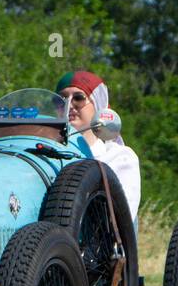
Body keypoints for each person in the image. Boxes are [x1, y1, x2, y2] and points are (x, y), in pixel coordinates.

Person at [55, 70, 141, 220]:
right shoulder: (46, 153)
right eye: (61, 99)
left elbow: (120, 221)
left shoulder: (119, 157)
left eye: (78, 98)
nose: (68, 105)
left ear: (99, 106)